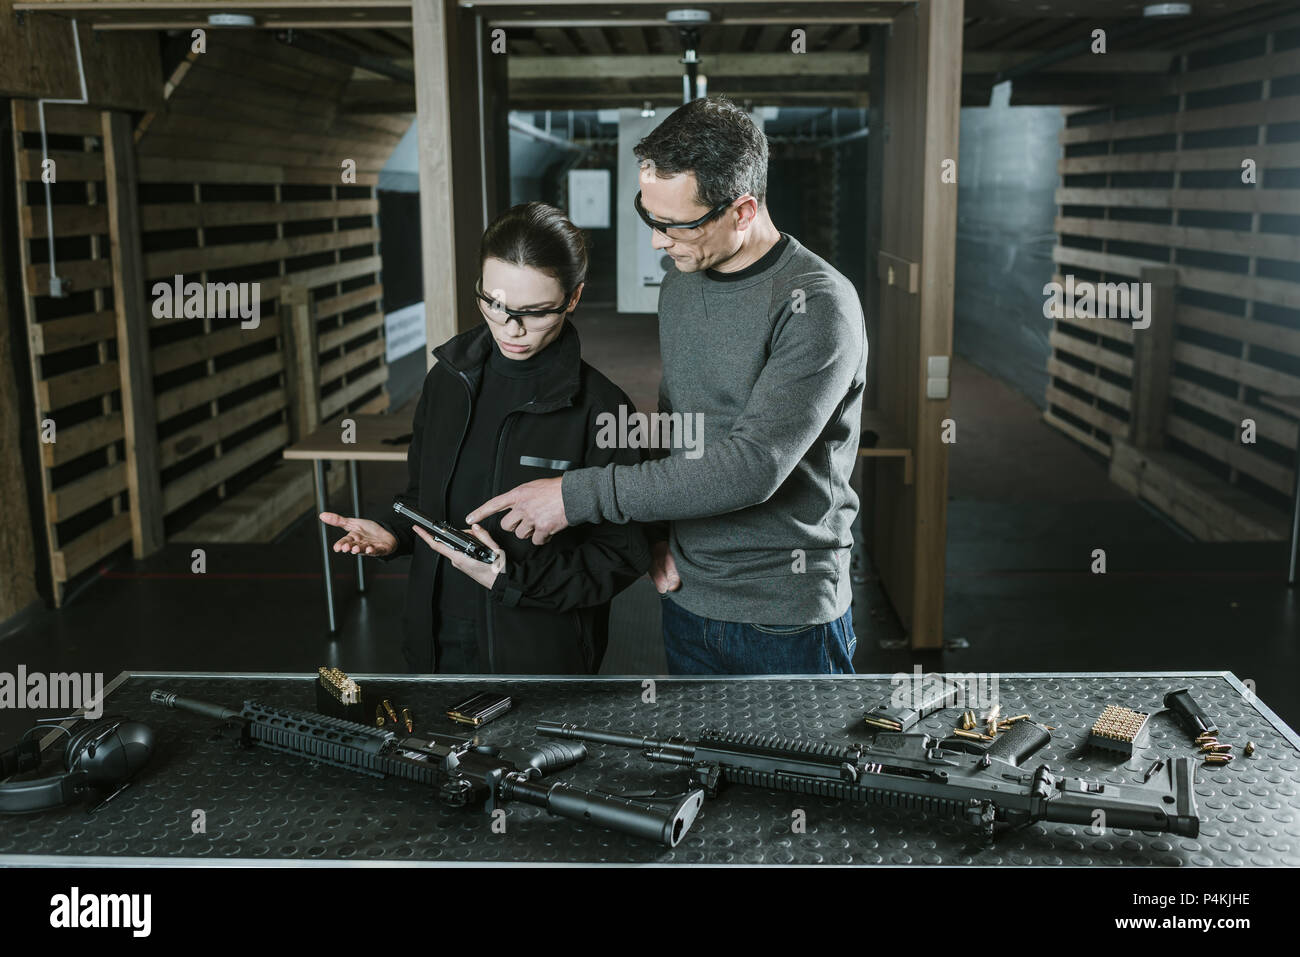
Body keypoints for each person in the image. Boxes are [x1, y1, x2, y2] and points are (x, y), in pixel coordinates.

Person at [469, 96, 867, 676]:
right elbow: (679, 423)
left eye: (676, 224)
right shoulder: (683, 283)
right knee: (699, 768)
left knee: (791, 770)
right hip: (685, 591)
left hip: (783, 617)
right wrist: (655, 535)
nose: (658, 241)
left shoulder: (818, 306)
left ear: (743, 210)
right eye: (647, 216)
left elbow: (751, 467)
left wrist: (575, 497)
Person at [319, 202, 650, 674]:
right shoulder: (448, 381)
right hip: (434, 646)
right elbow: (424, 496)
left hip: (538, 661)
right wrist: (392, 533)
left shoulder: (603, 410)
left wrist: (508, 578)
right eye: (495, 304)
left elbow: (620, 555)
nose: (510, 328)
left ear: (572, 298)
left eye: (534, 312)